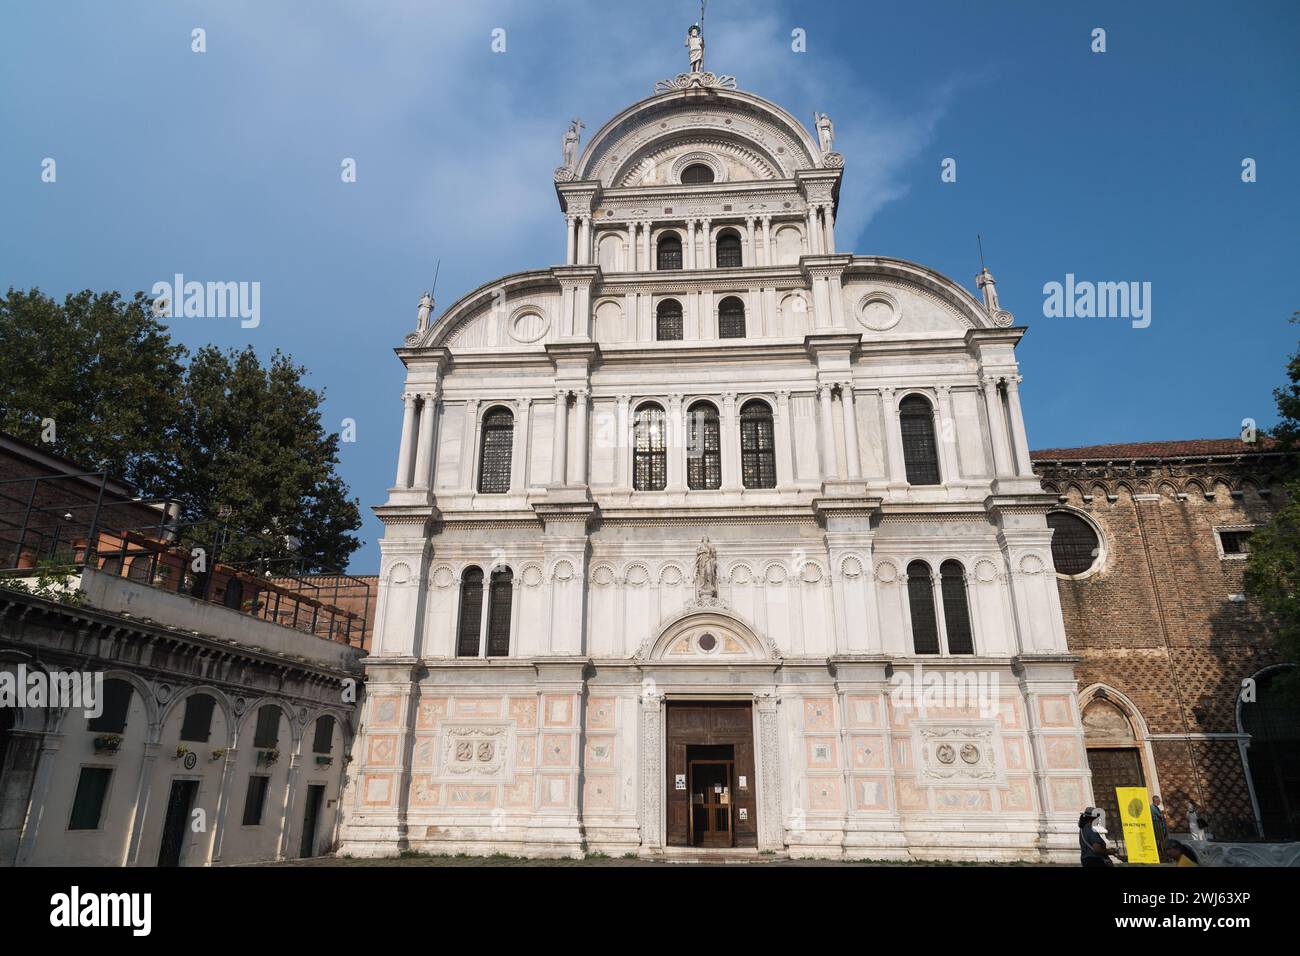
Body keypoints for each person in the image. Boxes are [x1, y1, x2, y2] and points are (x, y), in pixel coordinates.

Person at [1150, 794, 1169, 861]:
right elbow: (1159, 815)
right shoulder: (1152, 807)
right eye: (1159, 801)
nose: (1159, 802)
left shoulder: (1155, 807)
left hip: (1160, 826)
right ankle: (1162, 855)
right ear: (1156, 801)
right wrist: (1164, 813)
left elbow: (1159, 813)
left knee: (1162, 840)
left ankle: (1163, 854)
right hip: (1158, 826)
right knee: (1161, 841)